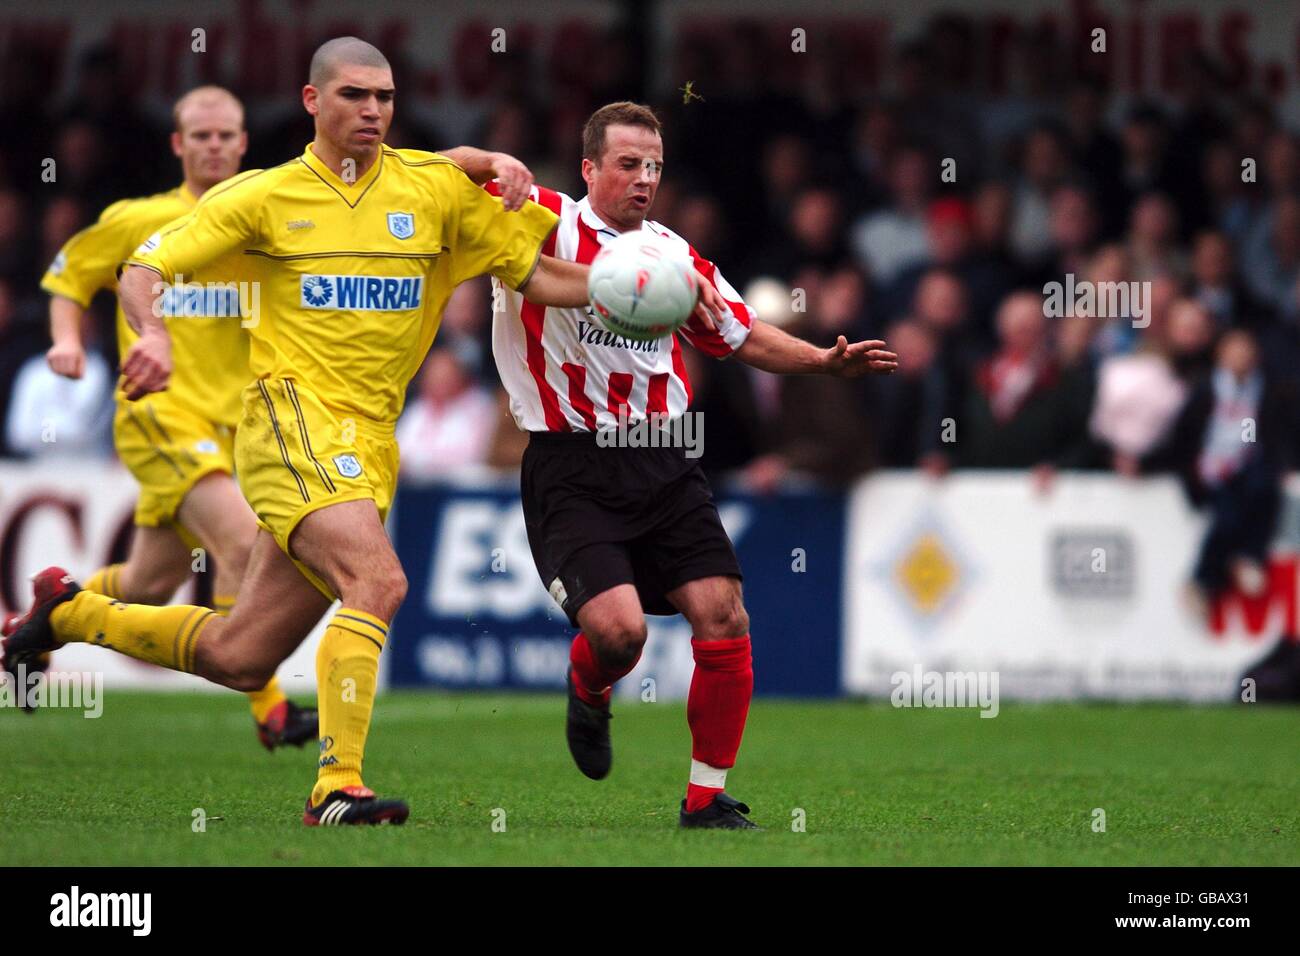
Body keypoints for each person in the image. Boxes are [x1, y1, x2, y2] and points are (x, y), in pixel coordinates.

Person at [3, 40, 732, 827]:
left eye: (385, 96)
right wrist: (151, 333)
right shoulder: (265, 196)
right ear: (314, 103)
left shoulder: (432, 191)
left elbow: (535, 273)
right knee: (377, 582)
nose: (374, 110)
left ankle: (66, 614)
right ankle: (335, 787)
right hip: (290, 421)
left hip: (370, 440)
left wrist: (622, 288)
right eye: (355, 95)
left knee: (240, 654)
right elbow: (146, 269)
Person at [488, 102, 897, 829]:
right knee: (620, 635)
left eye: (654, 167)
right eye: (627, 164)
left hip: (661, 456)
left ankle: (706, 798)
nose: (645, 179)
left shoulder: (677, 258)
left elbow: (741, 335)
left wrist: (822, 362)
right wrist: (489, 162)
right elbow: (429, 175)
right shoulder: (538, 218)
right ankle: (589, 685)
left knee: (723, 612)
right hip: (570, 461)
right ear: (588, 169)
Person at [33, 86, 314, 747]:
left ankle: (47, 612)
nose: (213, 146)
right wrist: (67, 339)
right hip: (161, 416)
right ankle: (268, 707)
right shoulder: (139, 219)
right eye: (201, 136)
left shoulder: (258, 218)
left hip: (237, 424)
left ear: (244, 144)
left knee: (147, 584)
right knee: (244, 543)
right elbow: (70, 277)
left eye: (225, 136)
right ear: (177, 144)